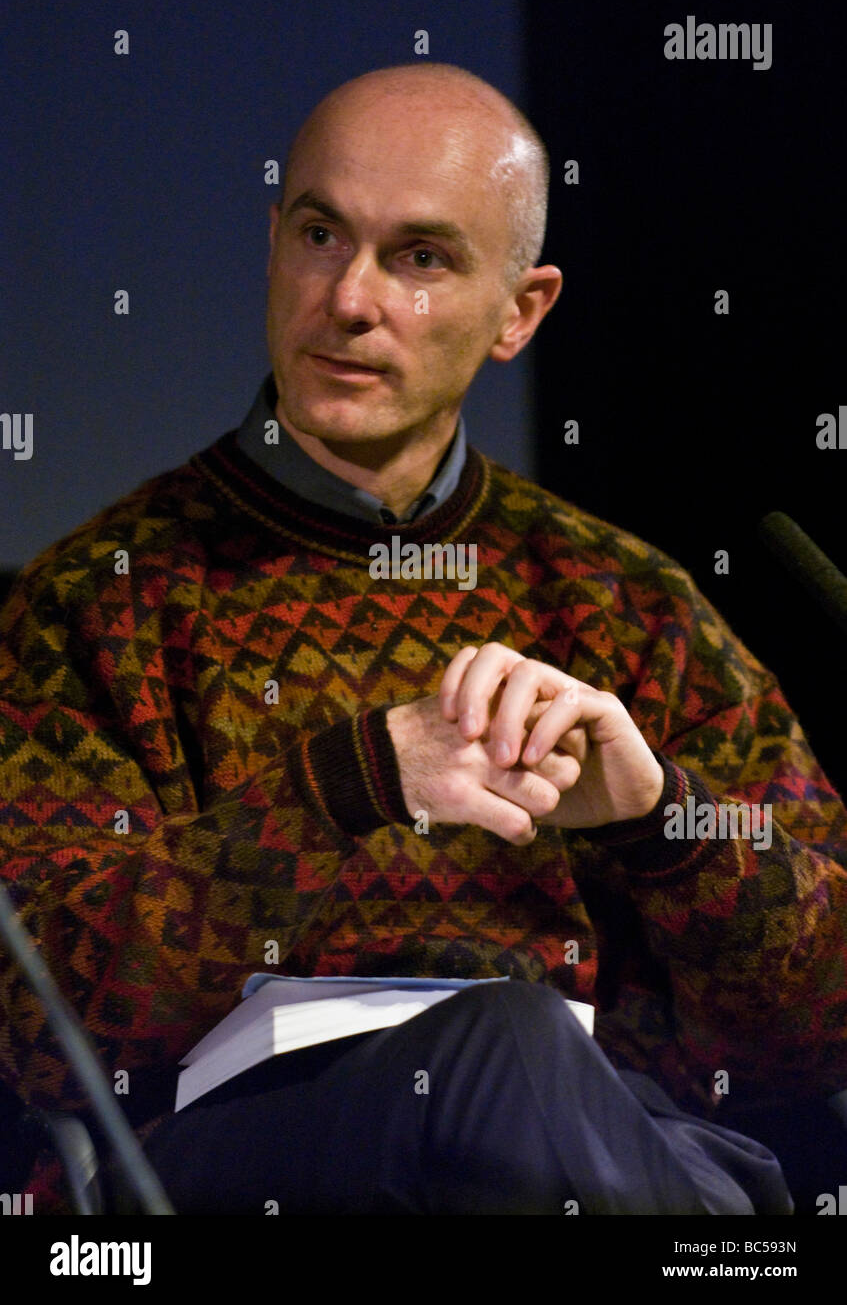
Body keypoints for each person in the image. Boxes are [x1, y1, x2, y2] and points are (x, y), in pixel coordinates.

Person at [1, 62, 845, 1216]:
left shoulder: (628, 603)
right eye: (318, 235)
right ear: (272, 242)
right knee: (504, 1045)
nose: (348, 299)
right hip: (237, 1161)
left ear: (519, 311)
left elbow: (821, 1027)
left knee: (617, 1121)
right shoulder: (92, 605)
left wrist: (664, 823)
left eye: (420, 257)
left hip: (617, 1143)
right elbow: (28, 1019)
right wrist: (350, 786)